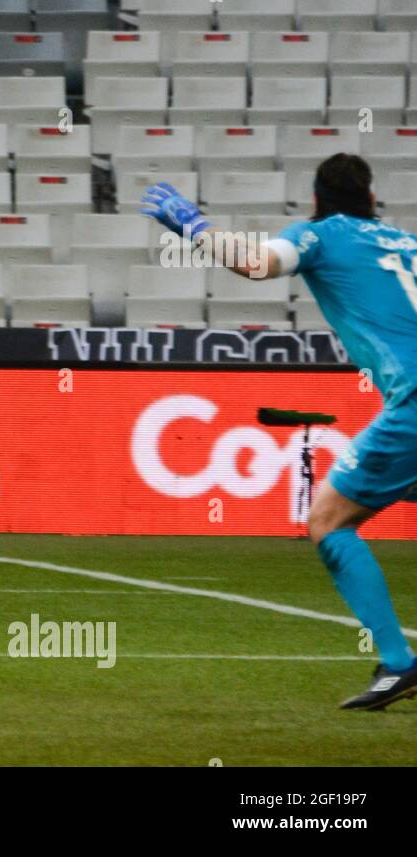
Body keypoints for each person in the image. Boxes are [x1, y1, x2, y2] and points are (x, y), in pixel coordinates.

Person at [142, 153, 417, 710]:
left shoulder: (320, 237)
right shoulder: (408, 242)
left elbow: (255, 264)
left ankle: (397, 663)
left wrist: (195, 228)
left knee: (328, 522)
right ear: (372, 198)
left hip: (413, 403)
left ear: (317, 199)